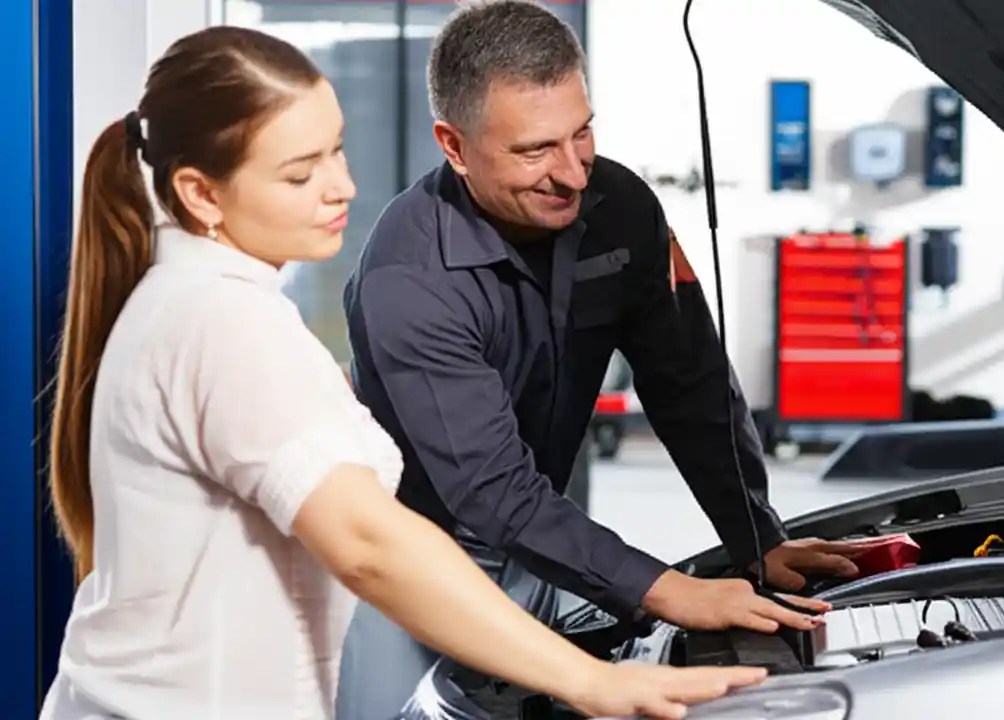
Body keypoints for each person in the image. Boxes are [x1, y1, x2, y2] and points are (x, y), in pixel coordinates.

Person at [38, 25, 771, 720]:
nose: (342, 188)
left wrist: (755, 544)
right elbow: (370, 542)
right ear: (202, 194)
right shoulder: (228, 325)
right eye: (301, 173)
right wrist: (596, 677)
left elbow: (687, 381)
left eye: (337, 152)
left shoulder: (197, 301)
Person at [338, 2, 868, 717]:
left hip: (543, 543)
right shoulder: (410, 278)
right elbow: (492, 491)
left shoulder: (622, 207)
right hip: (407, 571)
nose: (572, 174)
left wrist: (754, 537)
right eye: (534, 151)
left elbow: (689, 381)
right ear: (454, 147)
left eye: (581, 134)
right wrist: (668, 590)